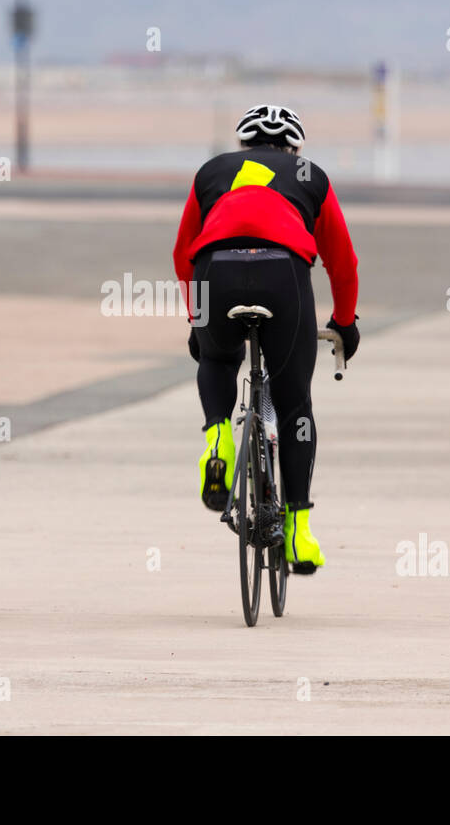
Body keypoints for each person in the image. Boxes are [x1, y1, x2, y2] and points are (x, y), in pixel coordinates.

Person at [173, 104, 359, 573]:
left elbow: (182, 253)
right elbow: (342, 260)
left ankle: (218, 439)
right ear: (293, 147)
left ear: (242, 145)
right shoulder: (309, 174)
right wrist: (344, 321)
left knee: (215, 359)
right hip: (284, 273)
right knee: (295, 406)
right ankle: (297, 533)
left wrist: (198, 319)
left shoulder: (212, 171)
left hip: (216, 271)